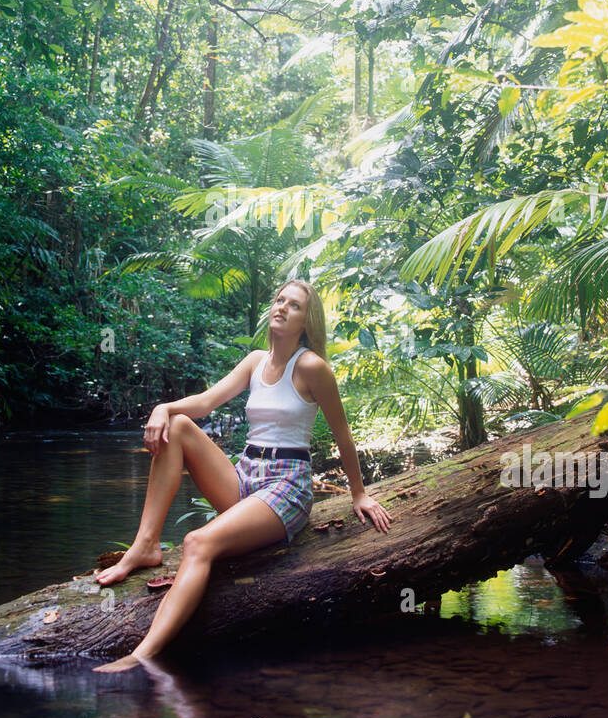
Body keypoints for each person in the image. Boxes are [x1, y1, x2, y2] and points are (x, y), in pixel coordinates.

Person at [92, 279, 391, 673]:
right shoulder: (254, 361)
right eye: (279, 299)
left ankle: (143, 655)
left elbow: (343, 435)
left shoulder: (312, 367)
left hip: (285, 489)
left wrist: (359, 495)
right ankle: (145, 545)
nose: (282, 307)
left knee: (198, 542)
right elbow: (205, 403)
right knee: (178, 425)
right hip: (245, 476)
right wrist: (163, 407)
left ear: (306, 322)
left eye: (295, 305)